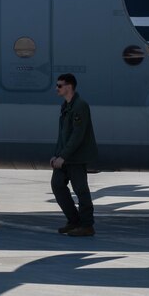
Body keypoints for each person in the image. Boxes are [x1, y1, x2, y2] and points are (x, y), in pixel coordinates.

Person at [51, 73, 97, 237]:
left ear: (69, 87)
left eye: (59, 85)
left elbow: (77, 135)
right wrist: (56, 155)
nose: (57, 88)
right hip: (64, 157)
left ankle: (87, 225)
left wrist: (63, 156)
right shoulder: (66, 105)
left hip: (76, 157)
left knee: (80, 190)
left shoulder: (80, 106)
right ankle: (74, 220)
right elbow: (62, 134)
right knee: (57, 185)